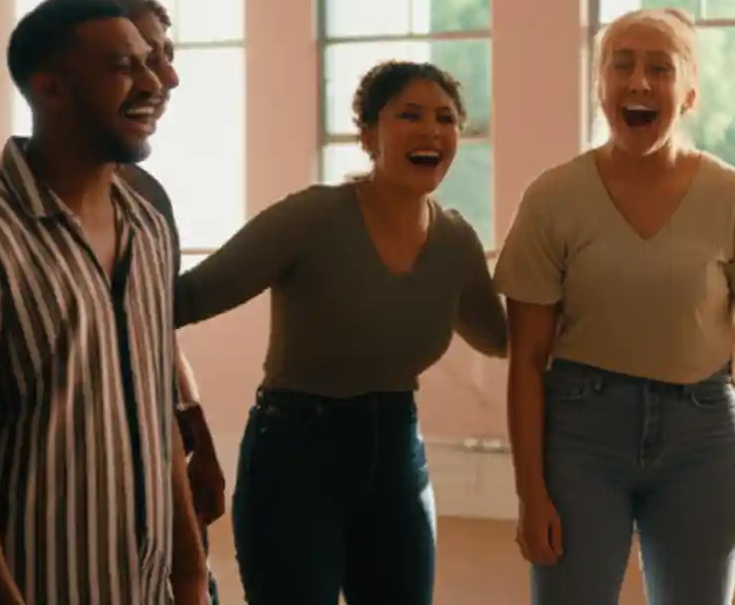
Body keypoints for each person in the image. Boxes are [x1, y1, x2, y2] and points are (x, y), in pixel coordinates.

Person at [0, 0, 208, 605]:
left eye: (153, 62)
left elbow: (158, 420)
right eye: (125, 66)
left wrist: (191, 580)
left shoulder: (147, 228)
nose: (156, 82)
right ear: (51, 90)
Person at [173, 60, 508, 604]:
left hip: (397, 453)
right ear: (369, 134)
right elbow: (187, 298)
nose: (431, 130)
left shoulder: (455, 242)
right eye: (410, 115)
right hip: (296, 455)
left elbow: (504, 338)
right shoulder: (313, 217)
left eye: (445, 118)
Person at [495, 7, 735, 604]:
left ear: (688, 94)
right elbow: (526, 358)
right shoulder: (553, 197)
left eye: (661, 68)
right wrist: (531, 492)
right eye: (621, 65)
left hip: (702, 438)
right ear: (600, 86)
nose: (638, 82)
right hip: (581, 436)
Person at [106, 0, 225, 605]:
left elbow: (153, 332)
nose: (167, 75)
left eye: (168, 54)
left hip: (157, 473)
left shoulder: (149, 199)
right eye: (143, 56)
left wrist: (194, 426)